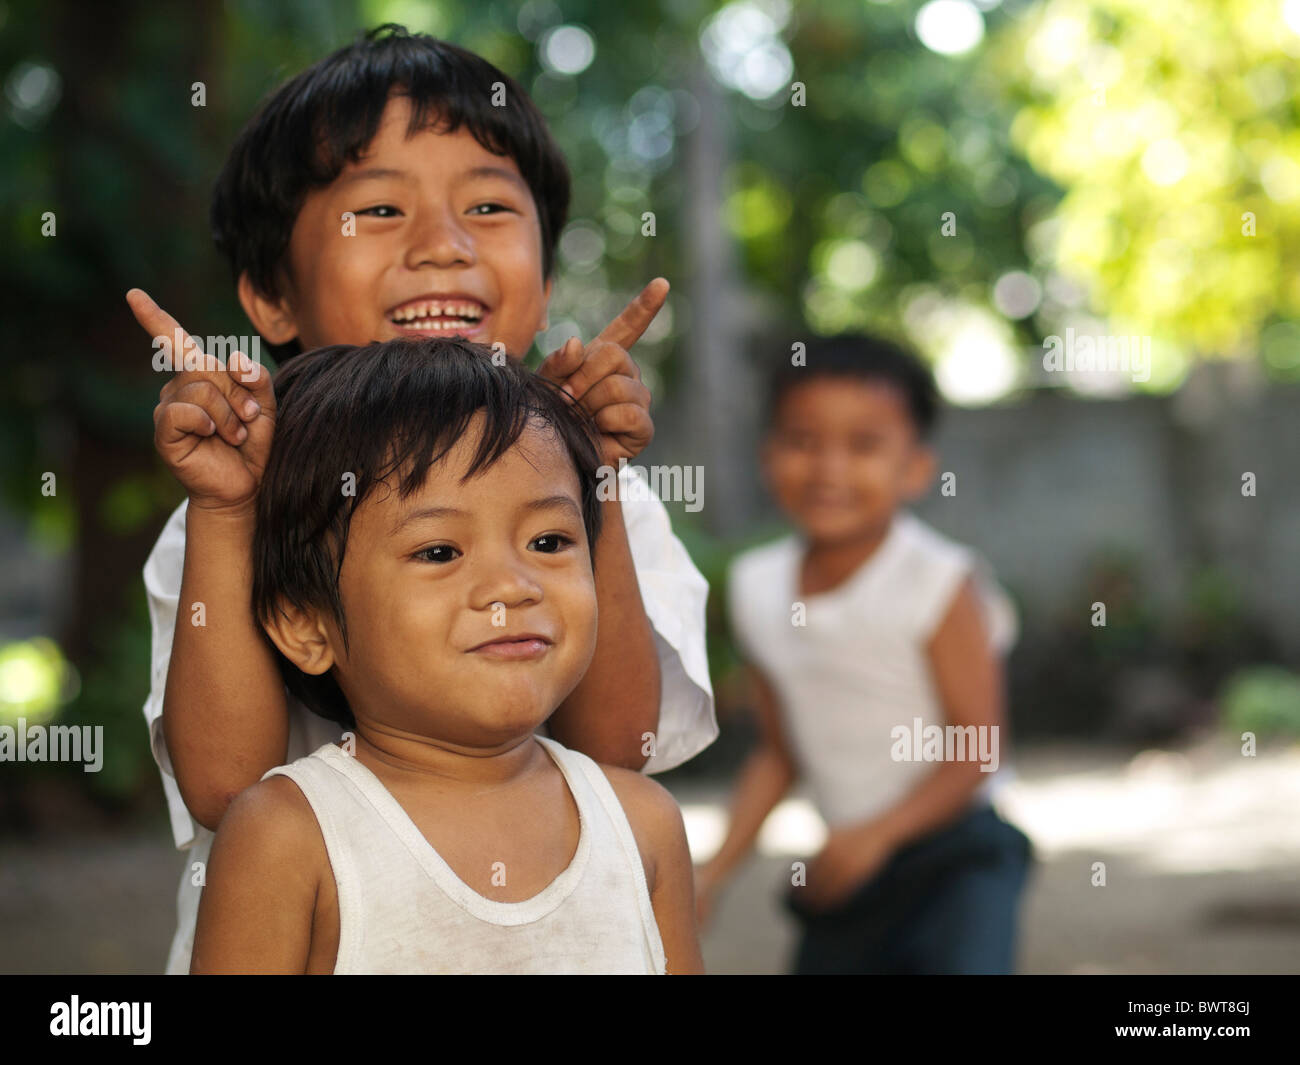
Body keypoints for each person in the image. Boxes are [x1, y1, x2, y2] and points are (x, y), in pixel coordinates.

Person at [127, 27, 715, 973]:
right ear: (273, 298)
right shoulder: (227, 506)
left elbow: (617, 752)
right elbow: (230, 789)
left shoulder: (598, 484)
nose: (443, 246)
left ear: (547, 274)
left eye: (487, 205)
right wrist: (229, 513)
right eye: (381, 211)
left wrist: (595, 476)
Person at [191, 337, 703, 974]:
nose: (512, 587)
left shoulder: (643, 827)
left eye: (549, 540)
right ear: (307, 625)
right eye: (439, 552)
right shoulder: (290, 838)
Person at [695, 334, 1033, 974]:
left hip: (957, 854)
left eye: (864, 445)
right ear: (769, 455)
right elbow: (778, 752)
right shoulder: (757, 586)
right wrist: (712, 873)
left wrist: (879, 835)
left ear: (915, 467)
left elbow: (977, 749)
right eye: (803, 441)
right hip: (847, 867)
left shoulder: (939, 581)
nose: (830, 469)